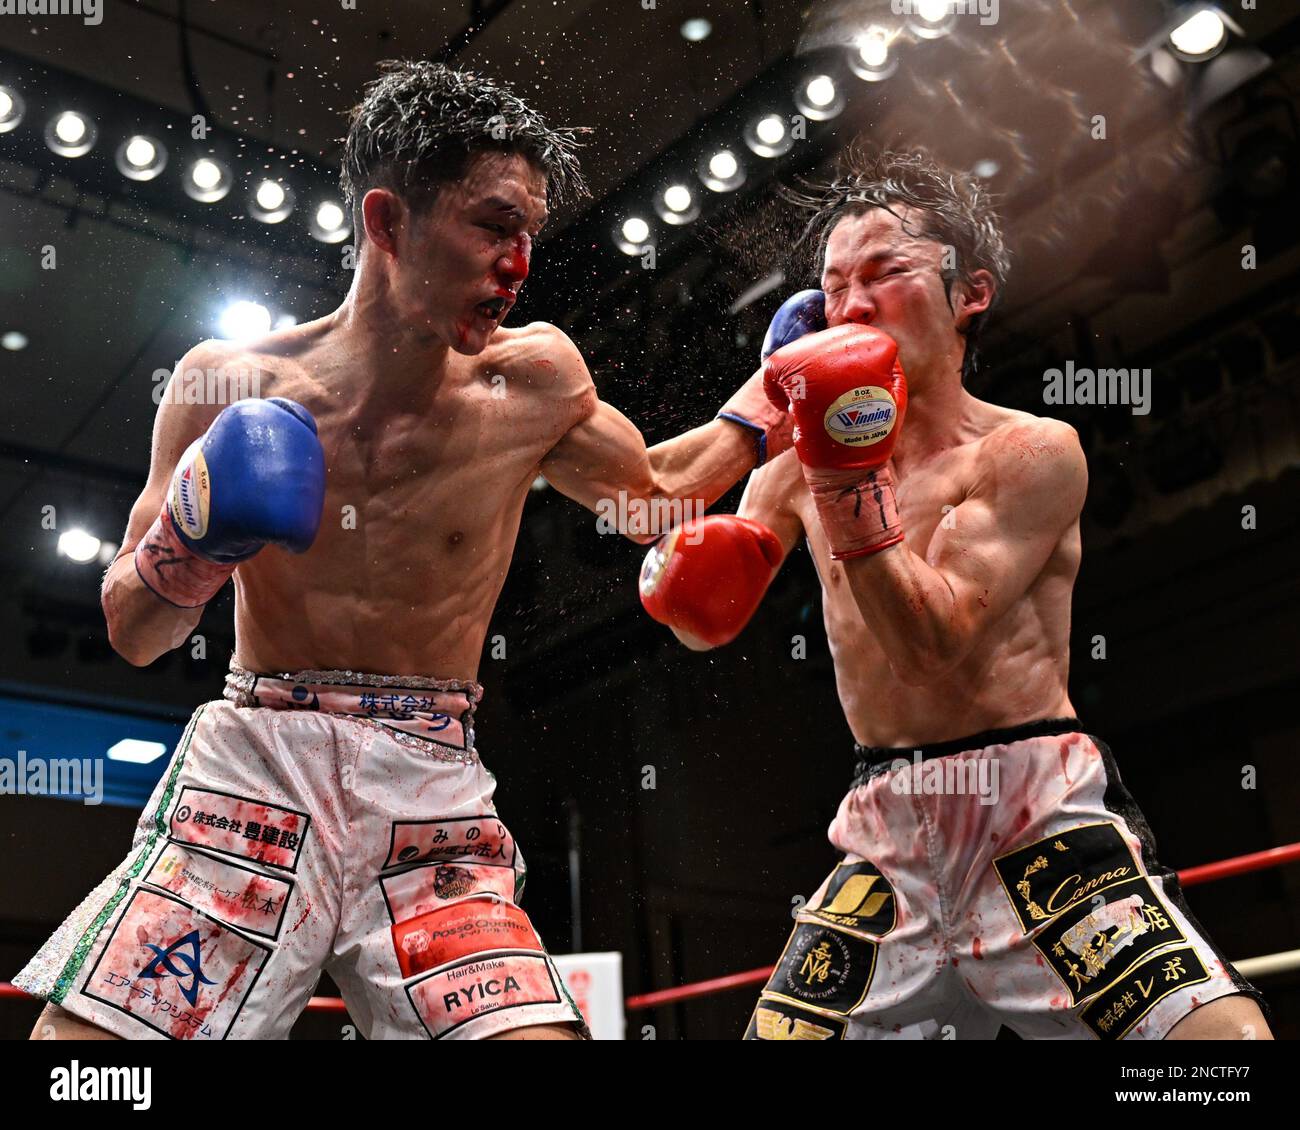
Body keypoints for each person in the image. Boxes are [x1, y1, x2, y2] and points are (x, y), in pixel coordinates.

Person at [16, 61, 785, 1041]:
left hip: (431, 785)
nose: (519, 264)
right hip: (259, 764)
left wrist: (773, 399)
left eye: (529, 236)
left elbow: (653, 503)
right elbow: (133, 630)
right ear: (388, 222)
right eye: (492, 225)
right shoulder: (232, 381)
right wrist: (193, 538)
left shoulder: (534, 379)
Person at [638, 149, 1271, 1041]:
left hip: (1032, 810)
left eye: (885, 274)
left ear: (969, 293)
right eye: (832, 288)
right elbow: (703, 615)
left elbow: (932, 640)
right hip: (884, 833)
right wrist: (745, 452)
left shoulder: (1031, 453)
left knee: (1219, 1057)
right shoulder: (791, 468)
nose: (852, 306)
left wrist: (843, 474)